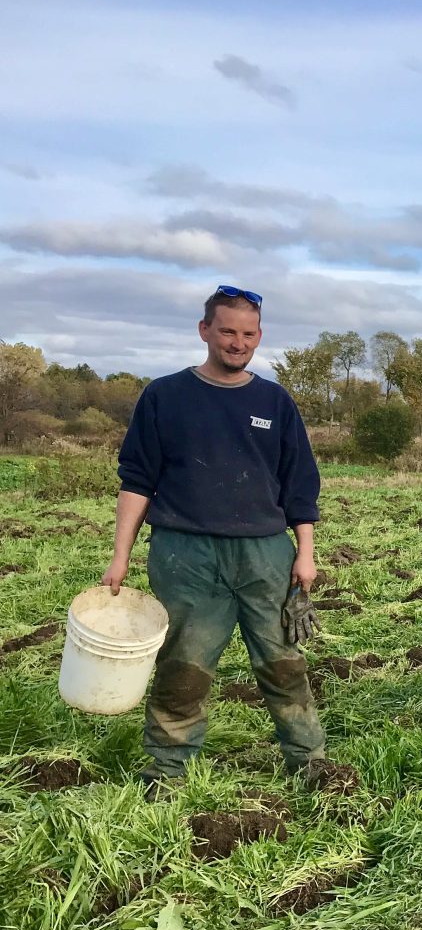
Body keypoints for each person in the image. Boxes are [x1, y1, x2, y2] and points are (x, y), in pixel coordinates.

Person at [102, 285, 326, 793]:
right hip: (186, 553)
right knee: (183, 663)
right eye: (227, 330)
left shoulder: (275, 401)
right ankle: (166, 769)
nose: (237, 342)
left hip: (265, 553)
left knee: (284, 661)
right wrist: (120, 558)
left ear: (259, 336)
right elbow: (137, 480)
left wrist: (306, 554)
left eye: (248, 333)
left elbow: (300, 486)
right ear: (205, 330)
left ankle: (311, 762)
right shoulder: (165, 396)